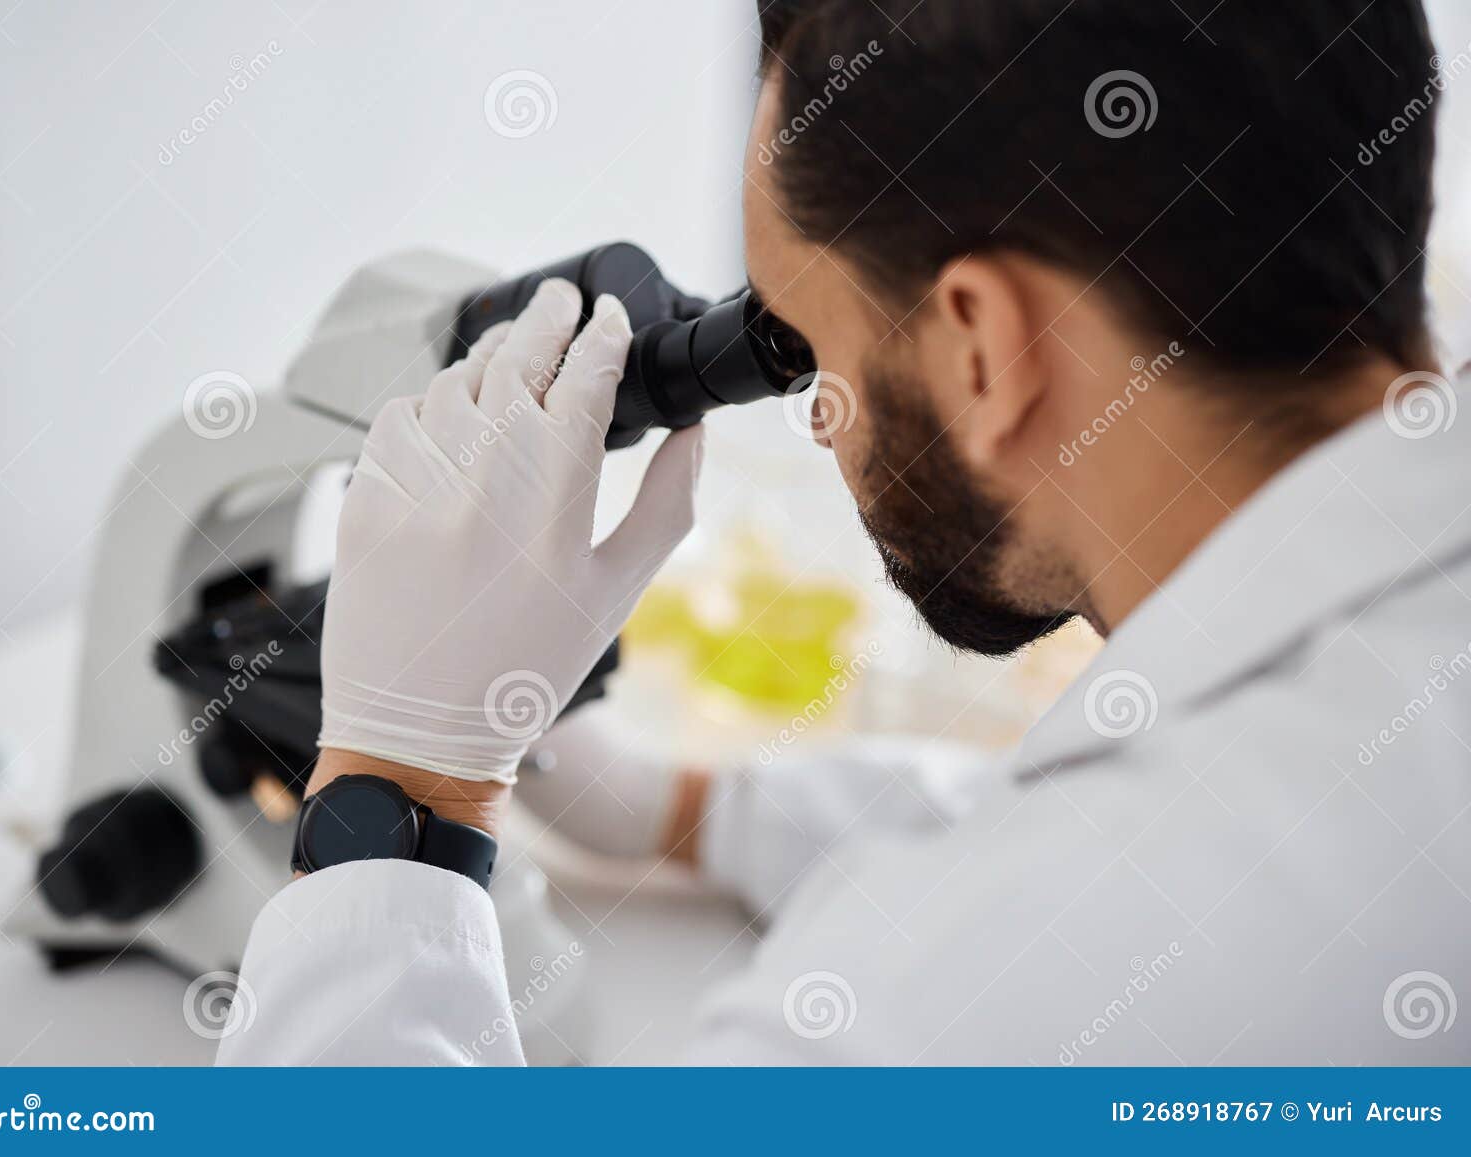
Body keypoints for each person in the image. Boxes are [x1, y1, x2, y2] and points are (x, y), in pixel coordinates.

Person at [218, 0, 1471, 1064]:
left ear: (985, 347)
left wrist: (402, 787)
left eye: (814, 342)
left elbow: (1064, 917)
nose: (819, 421)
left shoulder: (929, 1016)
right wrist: (684, 805)